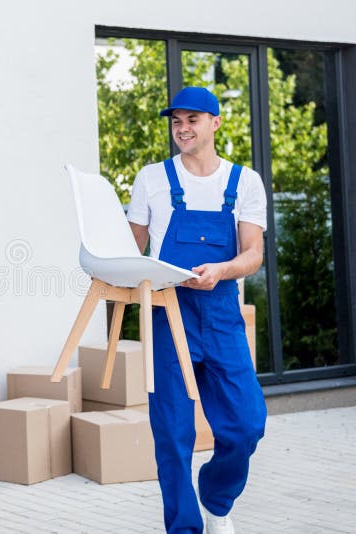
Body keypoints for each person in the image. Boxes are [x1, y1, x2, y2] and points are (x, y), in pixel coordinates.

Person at [126, 87, 268, 534]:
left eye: (192, 119)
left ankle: (217, 498)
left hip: (223, 315)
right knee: (172, 434)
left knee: (247, 425)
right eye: (176, 122)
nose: (182, 129)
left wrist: (223, 269)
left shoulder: (244, 182)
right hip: (168, 316)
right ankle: (184, 527)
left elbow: (253, 254)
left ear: (215, 123)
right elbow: (130, 251)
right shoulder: (151, 179)